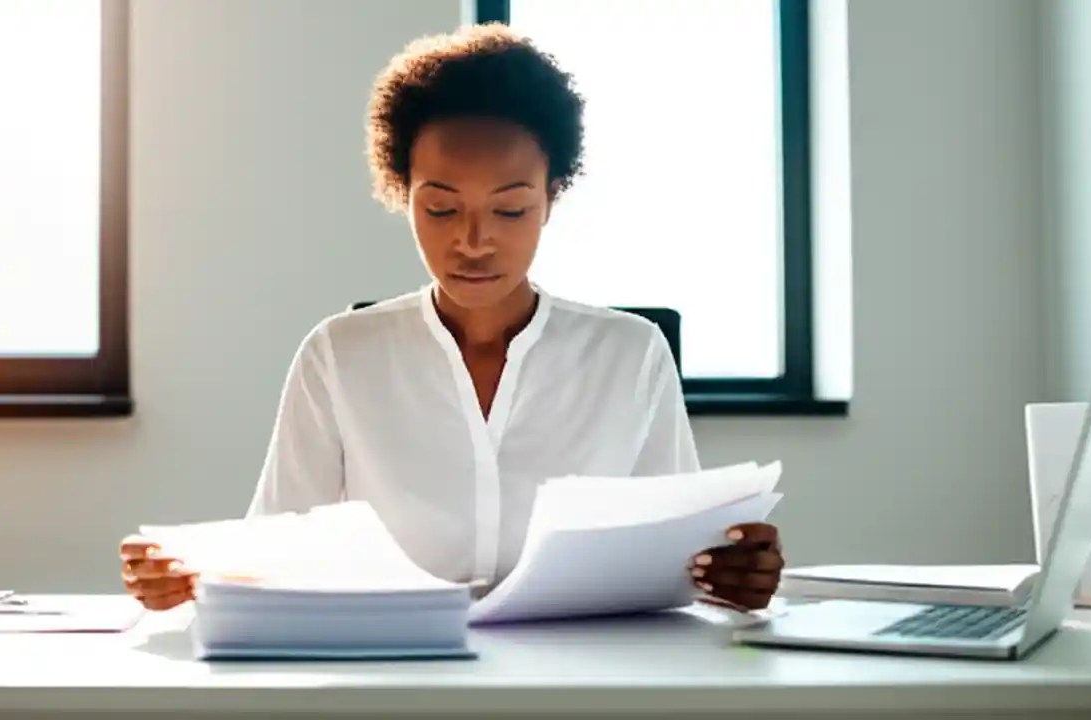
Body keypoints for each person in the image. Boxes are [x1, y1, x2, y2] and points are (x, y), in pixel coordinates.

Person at [121, 24, 784, 613]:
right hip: (392, 678)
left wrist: (728, 577)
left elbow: (676, 558)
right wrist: (188, 579)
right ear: (403, 194)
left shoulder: (630, 355)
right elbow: (282, 546)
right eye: (441, 210)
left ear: (551, 198)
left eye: (510, 209)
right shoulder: (339, 355)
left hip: (582, 680)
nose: (473, 241)